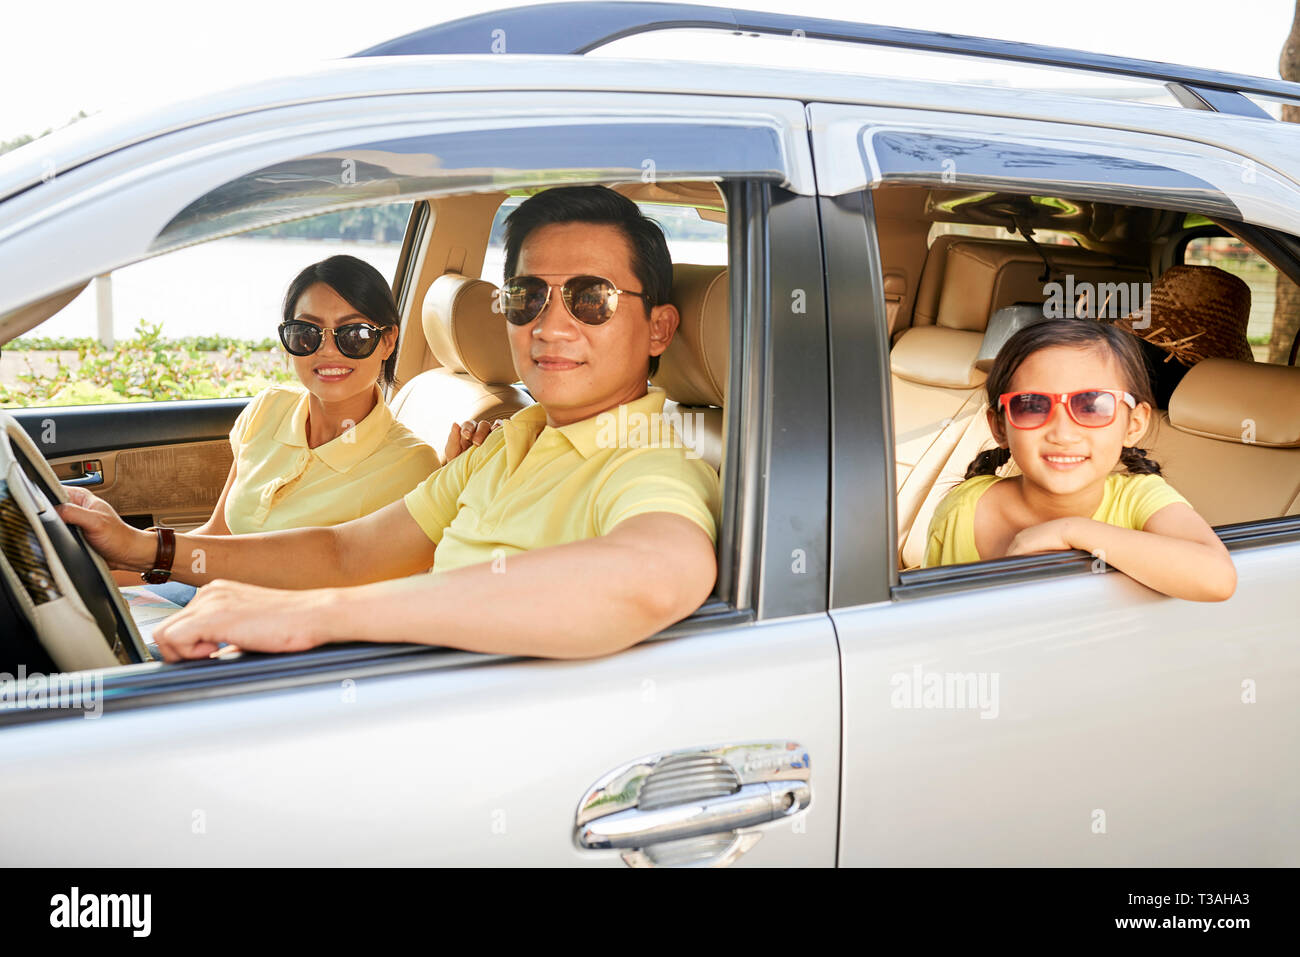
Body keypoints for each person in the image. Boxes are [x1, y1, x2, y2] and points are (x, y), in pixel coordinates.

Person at [62, 186, 721, 660]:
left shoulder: (650, 456)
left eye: (590, 298)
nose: (550, 325)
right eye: (526, 296)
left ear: (660, 326)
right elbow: (344, 554)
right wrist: (145, 549)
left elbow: (654, 572)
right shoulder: (508, 441)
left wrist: (315, 616)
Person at [136, 254, 479, 605]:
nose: (328, 351)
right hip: (206, 599)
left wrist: (143, 551)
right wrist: (113, 556)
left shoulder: (412, 467)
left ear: (388, 341)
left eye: (354, 334)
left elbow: (377, 595)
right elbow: (217, 535)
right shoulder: (268, 408)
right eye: (306, 333)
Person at [922, 319, 1236, 602]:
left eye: (1092, 406)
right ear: (1000, 427)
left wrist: (1070, 531)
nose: (1063, 433)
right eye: (1032, 406)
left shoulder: (1139, 497)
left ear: (1134, 425)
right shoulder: (963, 509)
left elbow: (1217, 578)